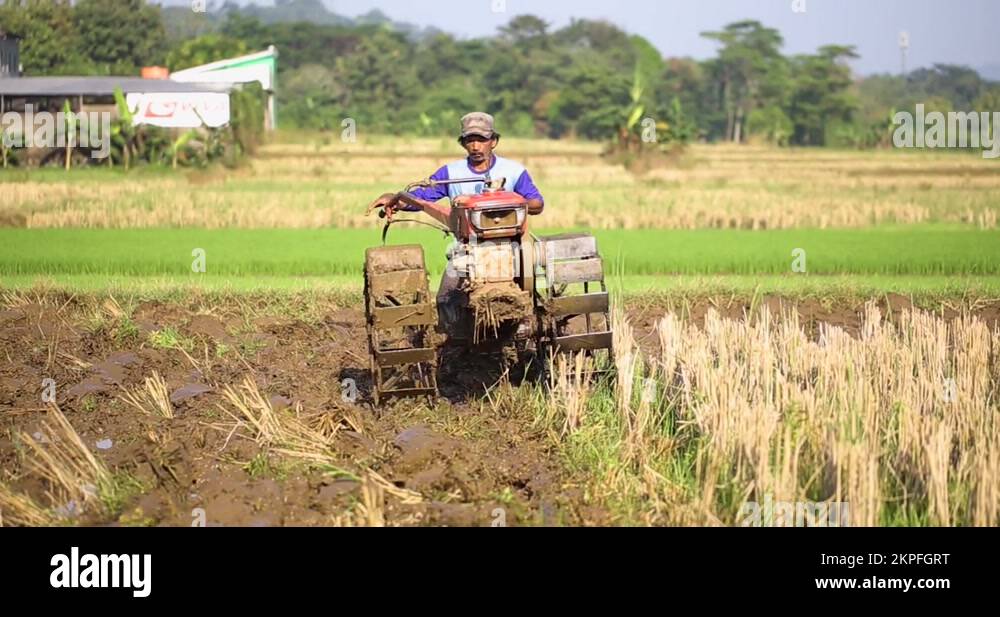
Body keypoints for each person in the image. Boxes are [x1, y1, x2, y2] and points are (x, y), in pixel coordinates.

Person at [367, 112, 545, 337]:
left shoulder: (514, 171)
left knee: (531, 292)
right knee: (445, 299)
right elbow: (424, 195)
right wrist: (396, 200)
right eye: (470, 140)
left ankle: (524, 330)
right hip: (466, 251)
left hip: (512, 249)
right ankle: (453, 346)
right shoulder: (450, 173)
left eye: (481, 139)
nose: (476, 146)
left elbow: (537, 203)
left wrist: (509, 201)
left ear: (494, 141)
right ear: (463, 143)